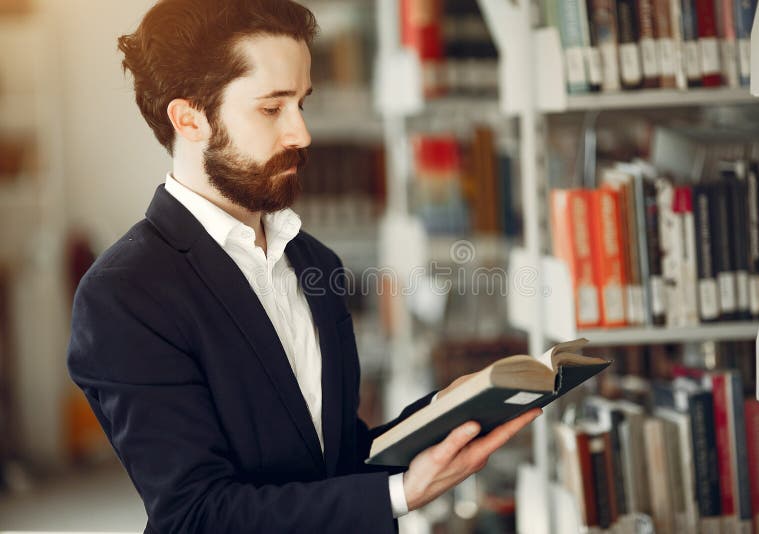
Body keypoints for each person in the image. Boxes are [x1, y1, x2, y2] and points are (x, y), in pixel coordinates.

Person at [66, 1, 541, 532]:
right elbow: (194, 515)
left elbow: (330, 461)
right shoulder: (124, 295)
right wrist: (399, 495)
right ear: (189, 119)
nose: (301, 133)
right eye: (272, 108)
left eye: (301, 103)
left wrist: (442, 416)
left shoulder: (314, 261)